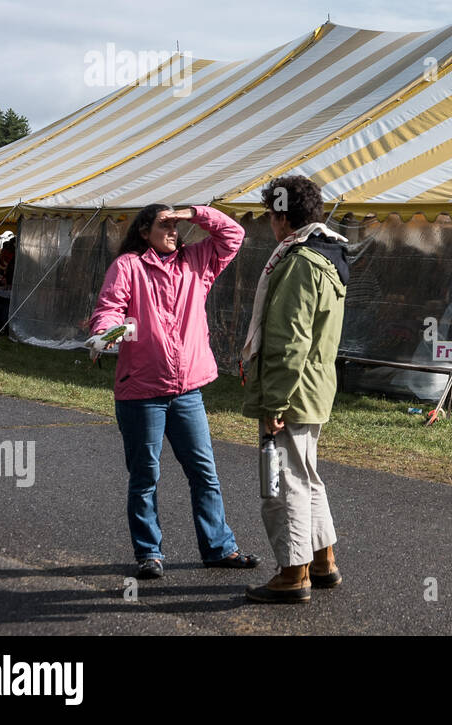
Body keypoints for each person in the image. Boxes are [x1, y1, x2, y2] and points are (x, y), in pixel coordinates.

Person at [90, 203, 258, 580]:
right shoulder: (128, 266)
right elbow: (110, 308)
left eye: (176, 225)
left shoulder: (198, 262)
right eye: (163, 225)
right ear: (144, 231)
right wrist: (107, 333)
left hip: (187, 392)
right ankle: (149, 553)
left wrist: (194, 212)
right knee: (145, 475)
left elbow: (234, 235)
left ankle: (218, 548)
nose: (173, 231)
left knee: (204, 473)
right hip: (141, 391)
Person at [242, 176, 349, 604]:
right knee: (306, 477)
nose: (270, 223)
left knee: (284, 482)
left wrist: (275, 401)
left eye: (270, 215)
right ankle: (322, 563)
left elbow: (290, 339)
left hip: (293, 392)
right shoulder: (328, 254)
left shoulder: (299, 260)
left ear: (283, 217)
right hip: (315, 387)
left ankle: (292, 575)